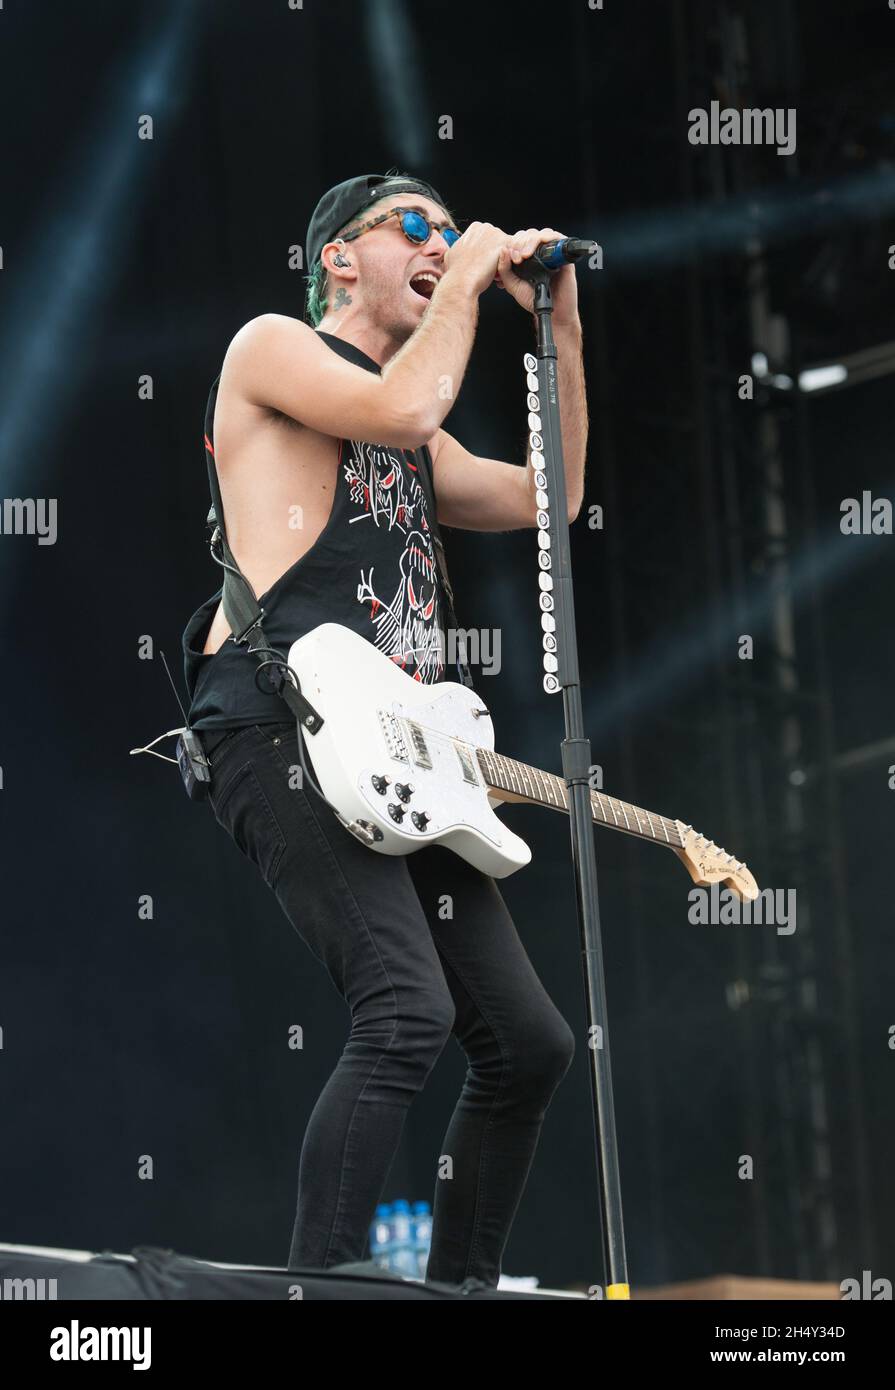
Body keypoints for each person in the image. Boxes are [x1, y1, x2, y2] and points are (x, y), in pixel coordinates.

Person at [181, 170, 588, 1287]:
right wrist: (468, 273)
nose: (443, 241)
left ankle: (457, 1286)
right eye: (415, 226)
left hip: (390, 760)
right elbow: (405, 403)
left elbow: (550, 499)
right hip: (278, 728)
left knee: (529, 1043)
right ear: (338, 258)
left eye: (451, 232)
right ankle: (328, 1281)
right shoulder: (269, 348)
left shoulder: (418, 440)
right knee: (404, 1006)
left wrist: (556, 329)